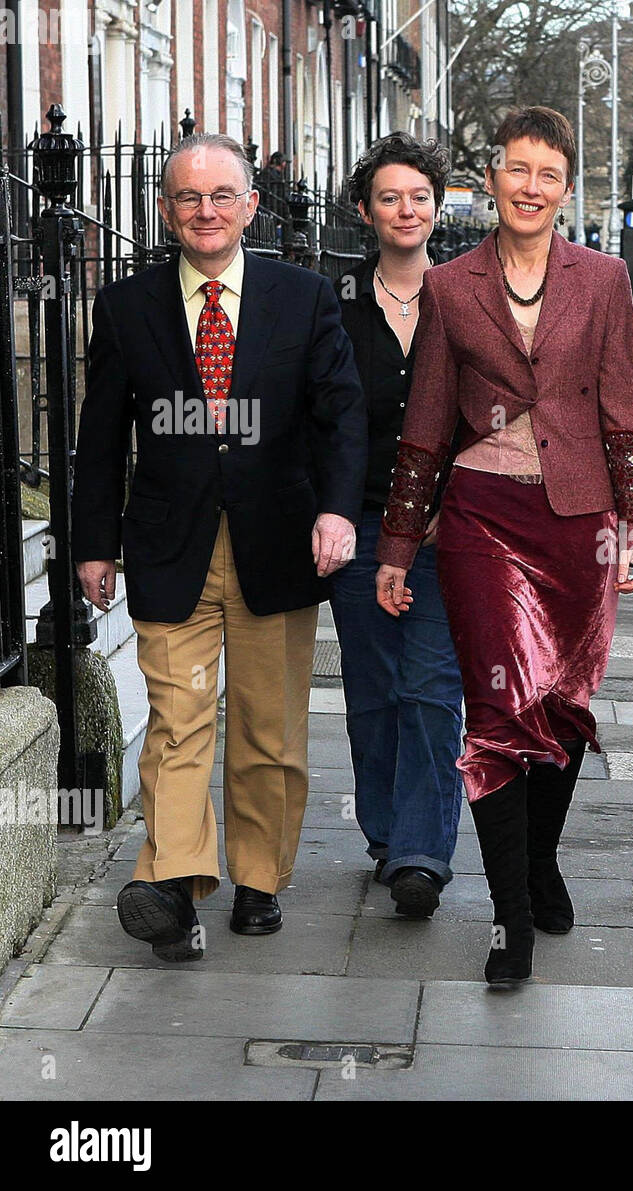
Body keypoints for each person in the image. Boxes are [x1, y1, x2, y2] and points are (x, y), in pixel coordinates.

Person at [375, 106, 633, 987]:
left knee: (564, 707)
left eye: (548, 174)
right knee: (497, 715)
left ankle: (539, 860)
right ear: (489, 180)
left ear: (566, 190)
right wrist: (396, 543)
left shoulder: (604, 279)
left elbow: (624, 408)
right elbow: (423, 426)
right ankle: (509, 921)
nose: (530, 187)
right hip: (483, 522)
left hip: (581, 522)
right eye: (515, 170)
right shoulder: (451, 286)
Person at [73, 133, 367, 960]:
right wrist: (94, 543)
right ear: (166, 211)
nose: (205, 211)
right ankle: (170, 884)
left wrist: (338, 512)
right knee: (177, 721)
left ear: (250, 205)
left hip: (277, 543)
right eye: (187, 198)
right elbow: (100, 437)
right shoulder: (127, 306)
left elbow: (341, 417)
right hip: (171, 546)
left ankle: (260, 880)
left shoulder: (303, 297)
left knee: (269, 730)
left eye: (220, 196)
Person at [333, 133, 464, 918]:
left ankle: (421, 852)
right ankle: (384, 831)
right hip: (361, 525)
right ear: (364, 210)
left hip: (452, 529)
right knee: (373, 690)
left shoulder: (464, 297)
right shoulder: (333, 302)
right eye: (389, 196)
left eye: (419, 195)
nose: (405, 209)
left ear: (437, 207)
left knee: (432, 686)